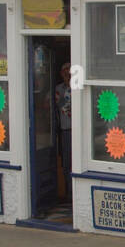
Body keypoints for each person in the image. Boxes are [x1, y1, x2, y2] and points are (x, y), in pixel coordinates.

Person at [54, 63, 73, 196]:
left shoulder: (78, 87)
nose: (67, 75)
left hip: (77, 130)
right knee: (66, 163)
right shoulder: (58, 88)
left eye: (69, 72)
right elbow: (57, 103)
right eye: (64, 72)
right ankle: (68, 192)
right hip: (65, 129)